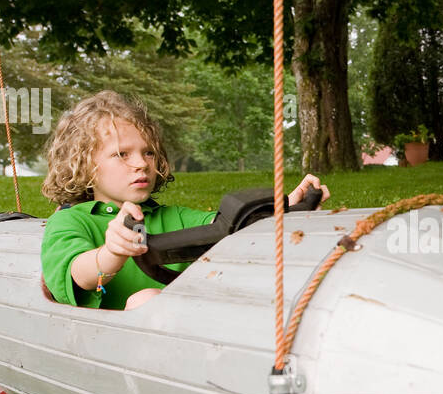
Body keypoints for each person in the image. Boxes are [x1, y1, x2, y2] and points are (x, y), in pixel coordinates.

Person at [40, 91, 328, 310]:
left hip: (191, 338)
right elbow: (78, 275)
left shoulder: (174, 217)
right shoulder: (70, 221)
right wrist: (111, 252)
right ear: (84, 165)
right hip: (109, 351)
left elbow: (232, 229)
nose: (141, 163)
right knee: (146, 300)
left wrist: (287, 208)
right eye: (122, 154)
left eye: (149, 152)